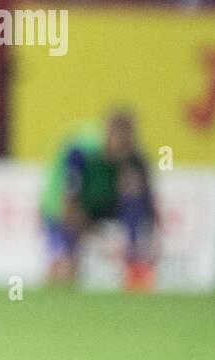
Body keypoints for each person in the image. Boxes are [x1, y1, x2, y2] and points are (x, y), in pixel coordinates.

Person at [41, 109, 158, 290]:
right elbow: (69, 207)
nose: (124, 147)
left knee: (134, 201)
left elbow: (148, 202)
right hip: (60, 211)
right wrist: (98, 236)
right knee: (66, 269)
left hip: (98, 206)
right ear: (108, 134)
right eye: (120, 140)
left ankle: (134, 262)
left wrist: (151, 238)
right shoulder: (80, 153)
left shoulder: (134, 157)